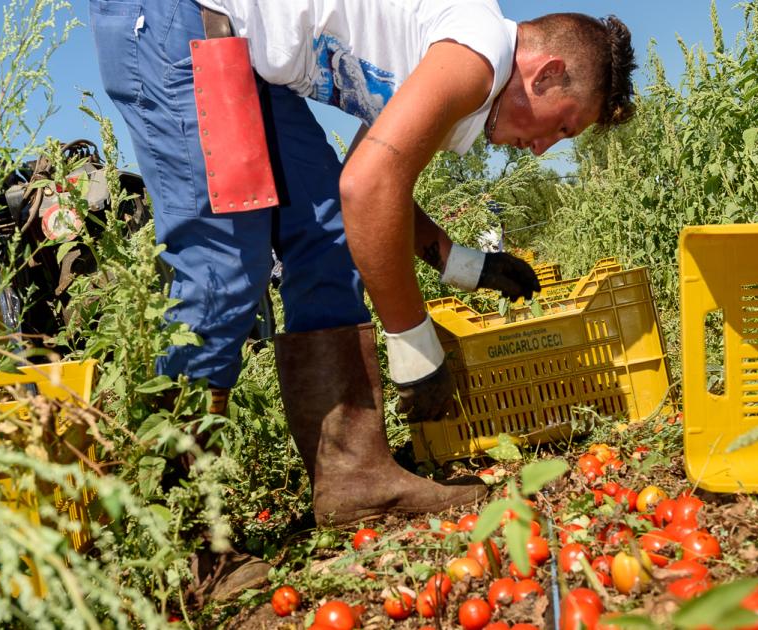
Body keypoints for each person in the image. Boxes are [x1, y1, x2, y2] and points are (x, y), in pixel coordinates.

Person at [90, 0, 636, 602]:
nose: (543, 149)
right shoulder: (479, 55)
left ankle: (354, 478)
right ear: (548, 72)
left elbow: (371, 171)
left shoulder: (467, 63)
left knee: (324, 237)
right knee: (223, 264)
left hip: (242, 53)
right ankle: (178, 536)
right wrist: (413, 342)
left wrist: (463, 264)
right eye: (563, 127)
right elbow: (370, 185)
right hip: (179, 20)